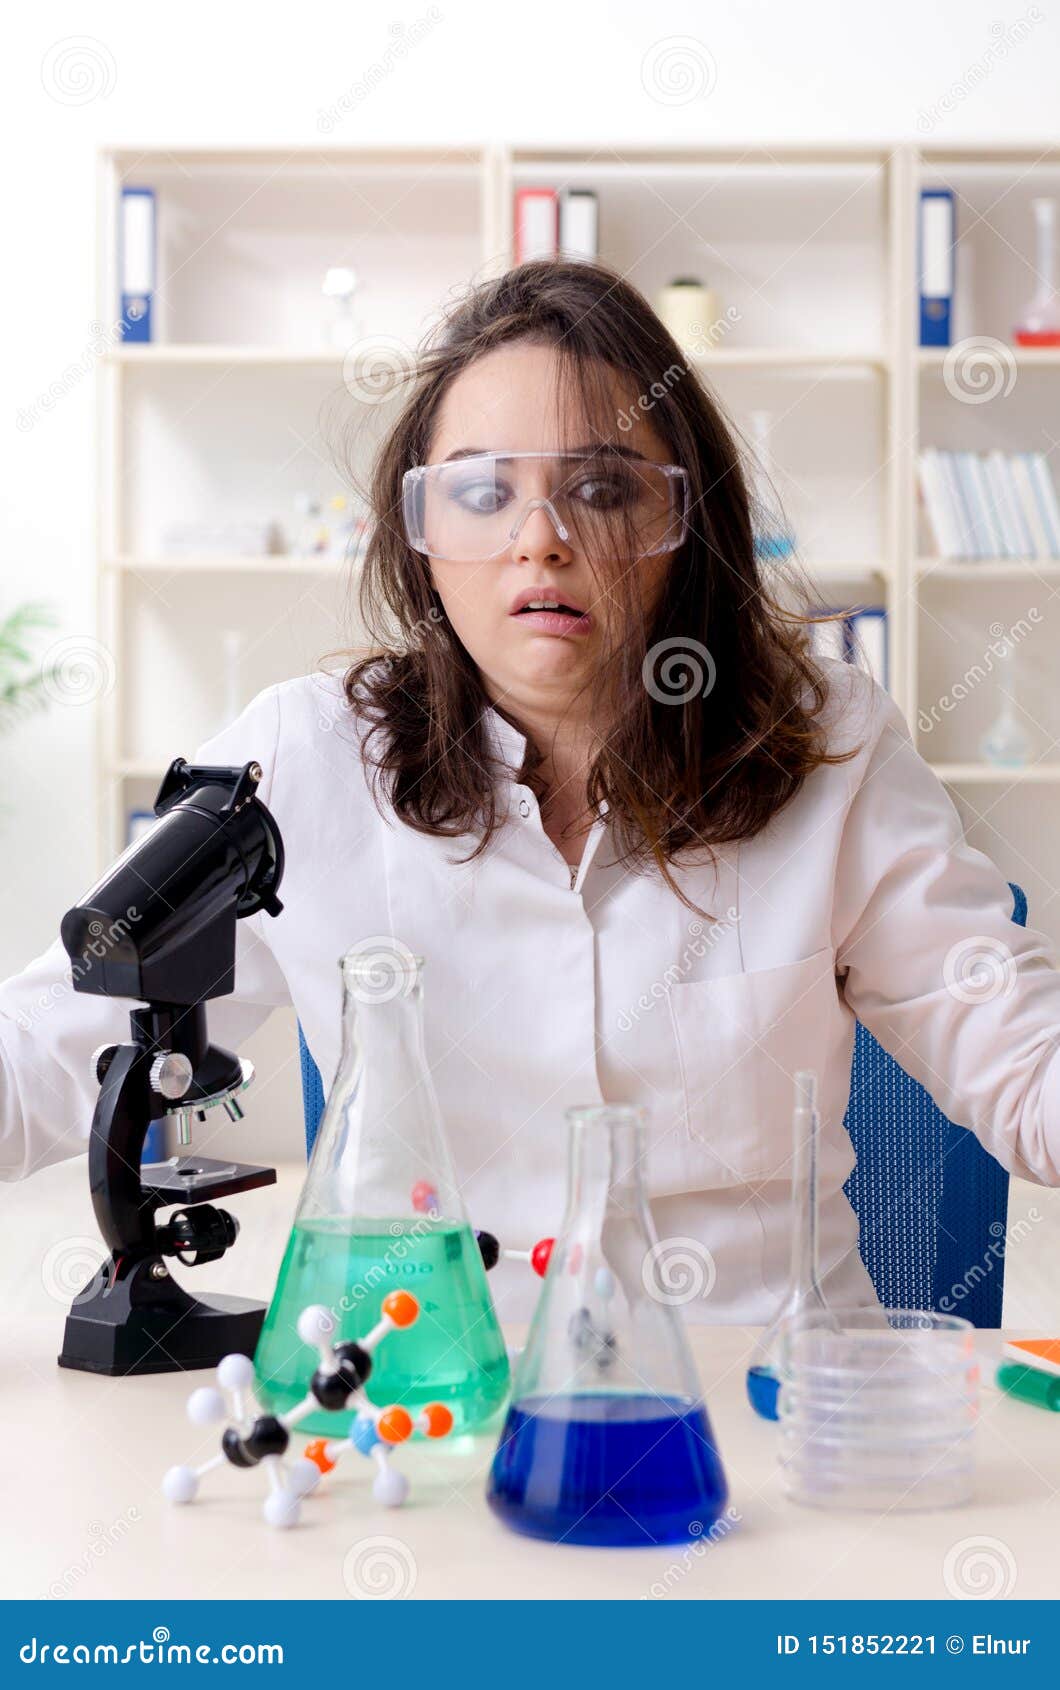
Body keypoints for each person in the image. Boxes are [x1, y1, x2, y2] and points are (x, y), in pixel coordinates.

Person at [3, 259, 1060, 1325]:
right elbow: (47, 1049)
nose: (540, 539)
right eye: (481, 493)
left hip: (758, 1396)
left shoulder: (827, 744)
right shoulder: (306, 757)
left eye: (602, 489)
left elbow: (1025, 1064)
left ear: (682, 525)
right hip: (428, 1394)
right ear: (420, 536)